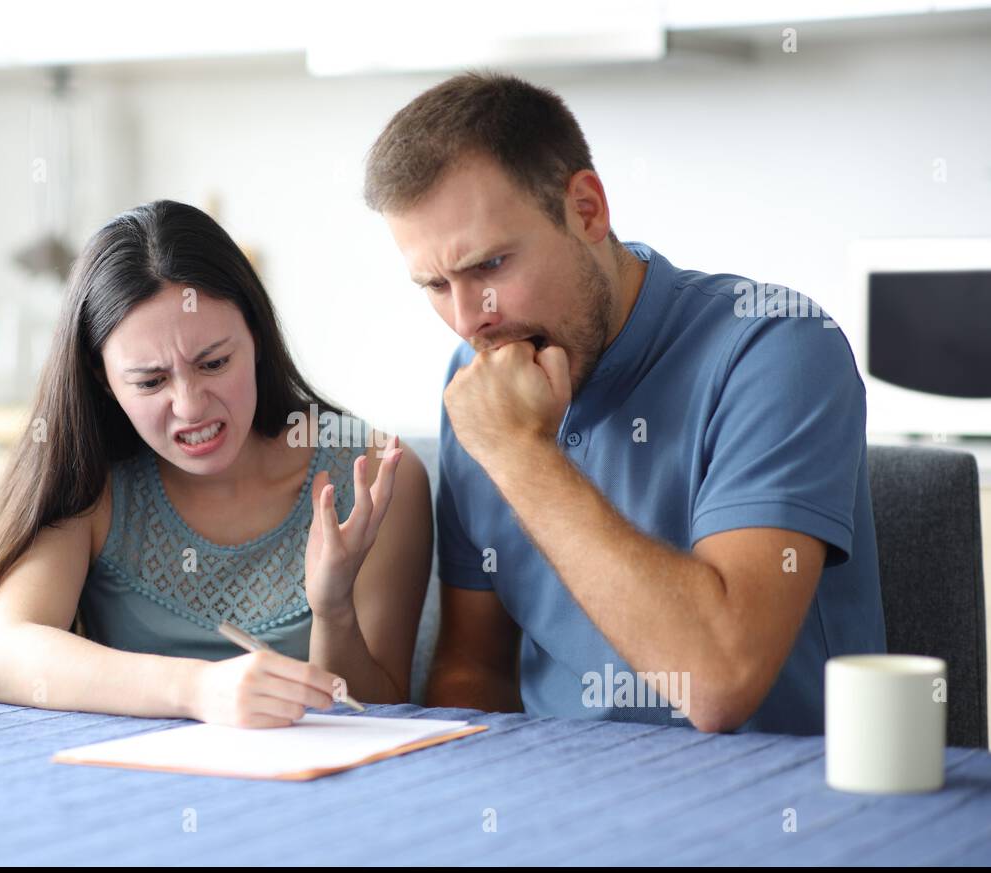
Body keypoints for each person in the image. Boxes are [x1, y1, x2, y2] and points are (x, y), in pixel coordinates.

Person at [362, 71, 885, 735]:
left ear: (587, 210)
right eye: (436, 285)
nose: (470, 321)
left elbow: (720, 681)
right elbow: (475, 667)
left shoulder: (778, 348)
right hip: (564, 798)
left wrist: (521, 455)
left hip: (778, 803)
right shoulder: (474, 379)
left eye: (490, 266)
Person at [0, 200, 432, 727]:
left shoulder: (378, 475)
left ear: (257, 336)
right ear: (102, 379)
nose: (191, 405)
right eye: (151, 381)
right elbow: (2, 656)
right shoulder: (97, 477)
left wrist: (333, 609)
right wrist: (198, 689)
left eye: (215, 363)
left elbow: (380, 710)